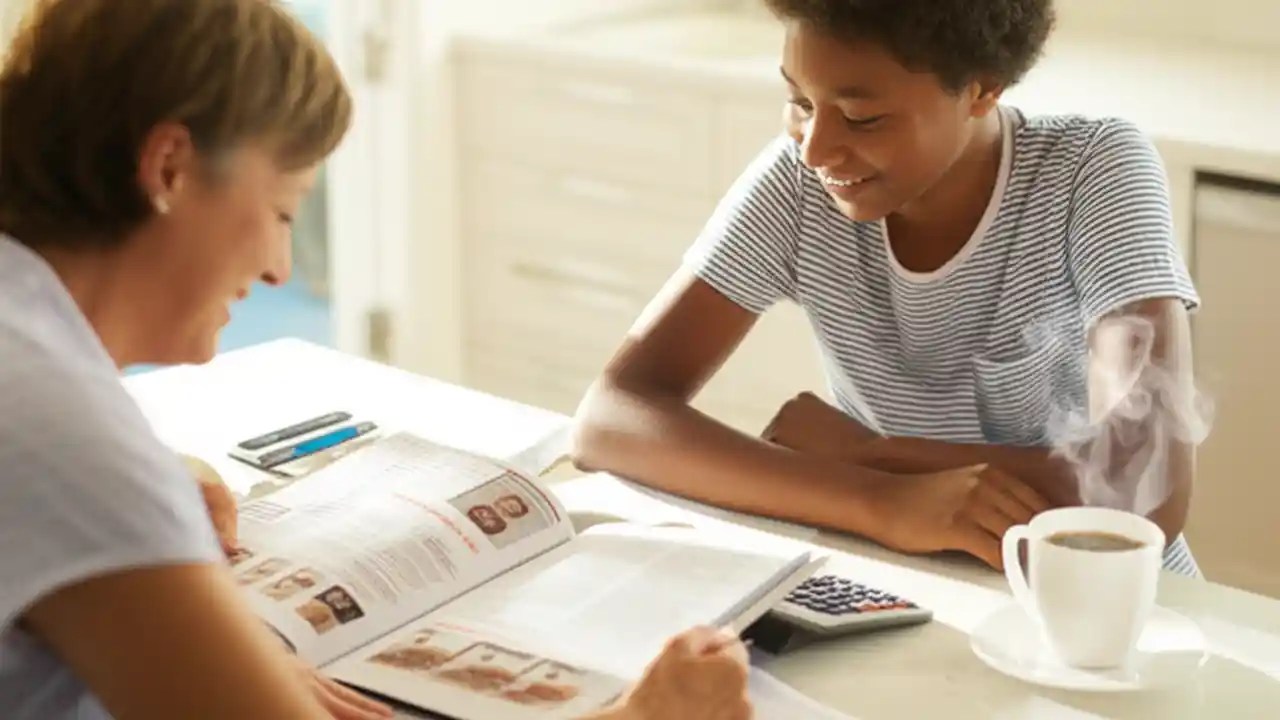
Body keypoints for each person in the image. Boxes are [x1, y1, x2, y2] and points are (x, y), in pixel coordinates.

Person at [0, 2, 751, 719]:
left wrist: (188, 613)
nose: (278, 270)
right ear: (169, 167)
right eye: (283, 212)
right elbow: (71, 464)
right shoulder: (74, 437)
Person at [571, 0, 1202, 576]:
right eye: (800, 103)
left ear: (983, 88)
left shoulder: (1091, 171)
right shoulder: (797, 189)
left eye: (861, 117)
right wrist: (879, 501)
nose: (815, 149)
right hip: (908, 583)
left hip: (1107, 599)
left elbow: (1144, 485)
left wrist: (874, 451)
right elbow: (610, 416)